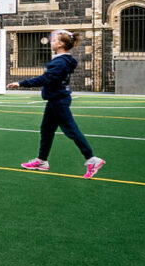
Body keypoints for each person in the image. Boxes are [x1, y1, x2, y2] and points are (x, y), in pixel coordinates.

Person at [7, 29, 106, 179]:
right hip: (55, 99)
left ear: (60, 44)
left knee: (71, 130)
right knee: (46, 130)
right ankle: (42, 161)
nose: (51, 42)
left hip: (58, 101)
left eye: (53, 40)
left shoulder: (60, 62)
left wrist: (20, 83)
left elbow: (44, 79)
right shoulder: (62, 60)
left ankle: (92, 159)